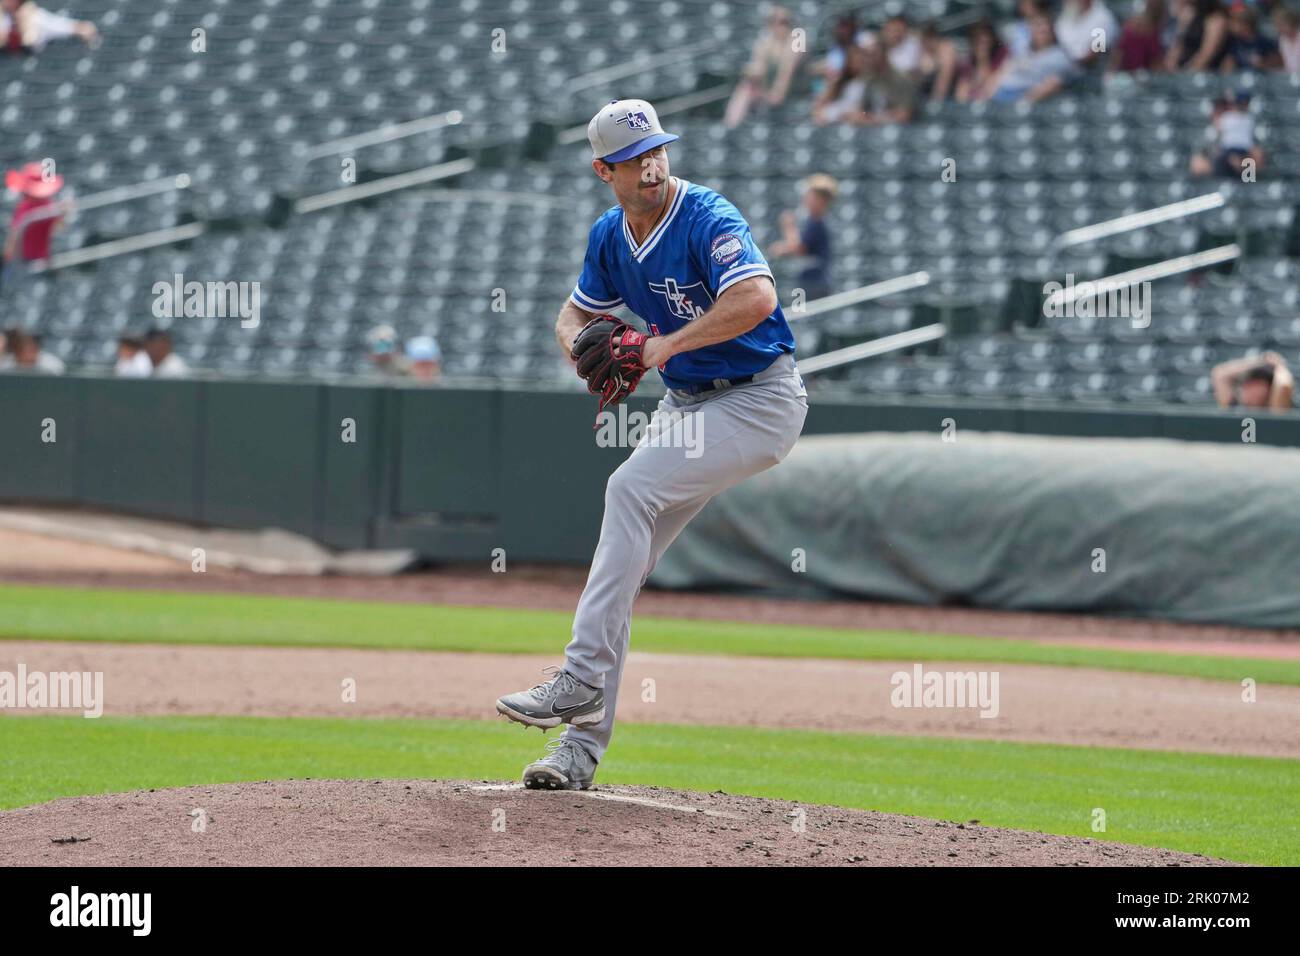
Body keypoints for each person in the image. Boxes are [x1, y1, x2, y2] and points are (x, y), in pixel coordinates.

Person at [494, 99, 808, 790]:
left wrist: (660, 346)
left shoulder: (706, 215)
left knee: (628, 489)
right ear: (604, 168)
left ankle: (577, 677)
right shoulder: (610, 236)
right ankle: (578, 751)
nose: (653, 163)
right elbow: (575, 312)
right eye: (636, 157)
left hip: (761, 397)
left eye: (658, 148)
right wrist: (577, 346)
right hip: (689, 404)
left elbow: (757, 298)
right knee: (624, 569)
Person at [723, 5, 802, 128]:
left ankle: (732, 125)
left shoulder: (797, 39)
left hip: (795, 88)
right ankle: (730, 126)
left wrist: (775, 93)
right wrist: (750, 75)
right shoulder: (766, 42)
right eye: (774, 21)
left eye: (785, 22)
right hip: (769, 91)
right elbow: (758, 69)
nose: (781, 26)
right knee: (745, 88)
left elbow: (787, 71)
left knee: (747, 90)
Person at [768, 173, 837, 302]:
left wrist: (789, 227)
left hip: (814, 283)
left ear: (820, 200)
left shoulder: (818, 222)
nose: (805, 199)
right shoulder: (814, 221)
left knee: (802, 314)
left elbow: (799, 248)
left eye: (810, 196)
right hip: (809, 281)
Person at [983, 15, 1080, 103]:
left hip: (1022, 98)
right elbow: (1003, 72)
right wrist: (987, 95)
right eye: (1038, 28)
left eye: (1045, 29)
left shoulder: (1059, 56)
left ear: (1052, 31)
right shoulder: (1023, 51)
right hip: (1001, 95)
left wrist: (1023, 102)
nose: (1042, 32)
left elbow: (1054, 83)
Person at [3, 161, 64, 293]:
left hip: (27, 263)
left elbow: (12, 244)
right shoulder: (49, 206)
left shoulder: (25, 209)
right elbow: (59, 227)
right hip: (37, 261)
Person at [1190, 90, 1264, 177]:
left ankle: (1247, 184)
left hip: (1245, 151)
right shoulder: (1227, 118)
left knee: (1250, 165)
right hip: (1227, 151)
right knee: (1213, 162)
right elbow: (1217, 134)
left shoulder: (1250, 119)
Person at [845, 41, 919, 125]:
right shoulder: (870, 79)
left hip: (898, 130)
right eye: (867, 55)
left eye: (873, 55)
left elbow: (904, 115)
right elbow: (862, 111)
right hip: (873, 128)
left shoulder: (901, 79)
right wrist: (863, 115)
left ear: (884, 55)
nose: (869, 59)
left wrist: (875, 118)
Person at [0, 0, 97, 52]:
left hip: (30, 55)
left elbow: (59, 25)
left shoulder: (35, 16)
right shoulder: (4, 15)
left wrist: (80, 28)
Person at [1212, 352, 1294, 410]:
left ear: (1268, 390)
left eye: (1255, 385)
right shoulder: (1233, 406)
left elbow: (1284, 385)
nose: (1248, 390)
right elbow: (1220, 373)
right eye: (1247, 385)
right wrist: (1261, 361)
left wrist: (1279, 365)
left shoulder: (1272, 408)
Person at [1165, 0, 1228, 71]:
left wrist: (1186, 72)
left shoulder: (1216, 18)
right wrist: (1172, 64)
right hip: (1182, 71)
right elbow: (1179, 44)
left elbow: (1206, 54)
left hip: (1204, 75)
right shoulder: (1189, 15)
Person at [956, 18, 1009, 101]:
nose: (982, 44)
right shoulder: (969, 62)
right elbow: (960, 96)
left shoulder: (1002, 55)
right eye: (977, 40)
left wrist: (983, 61)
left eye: (985, 39)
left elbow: (990, 91)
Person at [1221, 2, 1281, 72]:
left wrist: (1264, 63)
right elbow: (1228, 63)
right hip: (1240, 79)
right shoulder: (1234, 42)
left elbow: (1278, 60)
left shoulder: (1263, 41)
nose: (1230, 26)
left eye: (1234, 22)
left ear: (1246, 25)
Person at [1055, 0, 1120, 64]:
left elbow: (1096, 50)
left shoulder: (1104, 19)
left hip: (1090, 68)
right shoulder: (1066, 17)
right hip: (1063, 61)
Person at [1112, 0, 1169, 72]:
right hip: (1128, 76)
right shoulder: (1129, 29)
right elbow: (1118, 55)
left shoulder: (1155, 34)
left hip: (1144, 76)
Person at [1275, 6, 1300, 72]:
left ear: (1291, 23)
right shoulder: (1282, 39)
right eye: (1277, 25)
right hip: (1291, 77)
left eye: (1281, 25)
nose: (1278, 29)